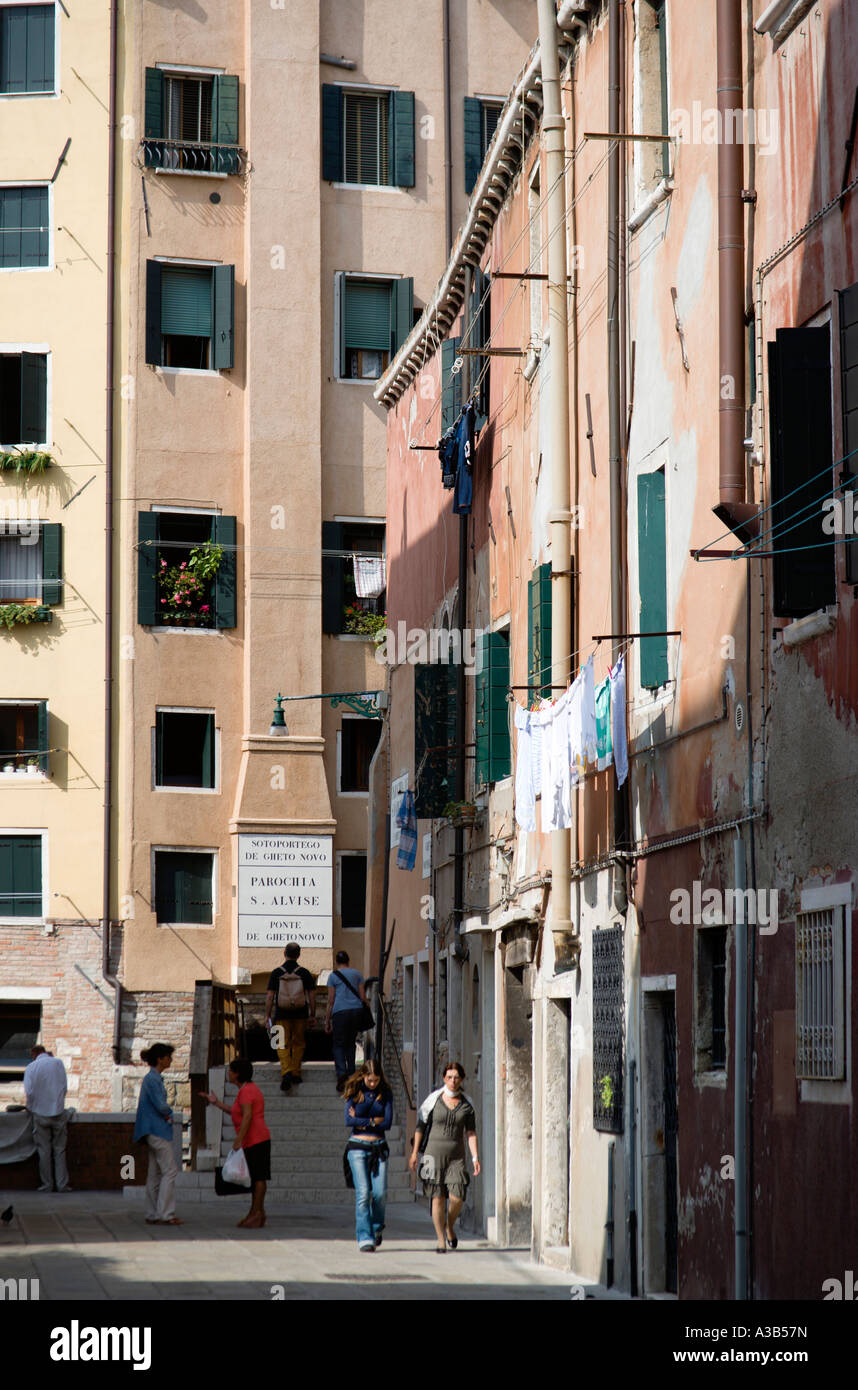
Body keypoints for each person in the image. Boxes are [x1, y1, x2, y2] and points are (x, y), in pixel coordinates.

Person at [409, 1062, 480, 1253]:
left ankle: (449, 1225)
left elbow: (471, 1133)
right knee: (437, 1198)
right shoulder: (433, 1100)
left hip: (456, 1158)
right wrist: (415, 1153)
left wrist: (475, 1158)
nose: (452, 1081)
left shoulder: (467, 1104)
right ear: (443, 1079)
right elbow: (420, 1127)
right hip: (432, 1155)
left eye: (456, 1077)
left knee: (457, 1197)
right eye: (449, 1077)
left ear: (462, 1079)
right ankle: (440, 1239)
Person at [201, 1058, 271, 1229]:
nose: (229, 1073)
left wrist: (238, 1139)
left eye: (231, 1070)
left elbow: (247, 1116)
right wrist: (216, 1103)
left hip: (255, 1138)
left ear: (238, 1073)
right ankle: (256, 1212)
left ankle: (257, 1212)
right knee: (256, 1177)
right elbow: (236, 1112)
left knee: (258, 1177)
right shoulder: (247, 1090)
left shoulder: (247, 1091)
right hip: (256, 1138)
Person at [343, 1061, 393, 1253]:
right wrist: (373, 1121)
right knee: (363, 1193)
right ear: (363, 1076)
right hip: (357, 1148)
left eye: (376, 1080)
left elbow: (387, 1123)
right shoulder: (355, 1092)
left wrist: (362, 1122)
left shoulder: (385, 1094)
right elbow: (349, 1120)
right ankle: (365, 1237)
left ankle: (376, 1227)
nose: (372, 1083)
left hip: (379, 1147)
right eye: (369, 1080)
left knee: (380, 1194)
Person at [133, 1043, 182, 1226]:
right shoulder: (153, 1080)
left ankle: (152, 1212)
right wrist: (170, 1113)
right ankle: (166, 1213)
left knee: (154, 1174)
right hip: (157, 1129)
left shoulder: (152, 1079)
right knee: (170, 1170)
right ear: (160, 1059)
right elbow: (161, 1105)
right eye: (168, 1057)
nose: (170, 1060)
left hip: (149, 1129)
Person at [265, 943, 316, 1094]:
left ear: (284, 953)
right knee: (299, 1043)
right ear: (299, 955)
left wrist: (267, 1015)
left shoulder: (276, 973)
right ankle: (296, 1072)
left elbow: (269, 997)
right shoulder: (305, 973)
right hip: (301, 1014)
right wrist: (312, 1014)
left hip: (281, 1014)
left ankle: (286, 1071)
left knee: (281, 1043)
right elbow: (312, 996)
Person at [24, 1045, 72, 1193]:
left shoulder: (31, 1067)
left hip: (40, 1114)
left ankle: (47, 1185)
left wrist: (31, 1108)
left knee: (43, 1151)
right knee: (60, 1150)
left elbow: (29, 1092)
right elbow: (64, 1087)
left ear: (34, 1054)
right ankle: (62, 1185)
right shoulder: (58, 1063)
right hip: (58, 1113)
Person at [325, 950, 369, 1092]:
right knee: (350, 1043)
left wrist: (327, 1020)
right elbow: (363, 997)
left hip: (340, 1012)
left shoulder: (333, 976)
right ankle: (351, 1073)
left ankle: (341, 1074)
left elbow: (331, 1000)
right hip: (356, 1011)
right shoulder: (357, 974)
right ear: (348, 961)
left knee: (338, 1044)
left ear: (336, 963)